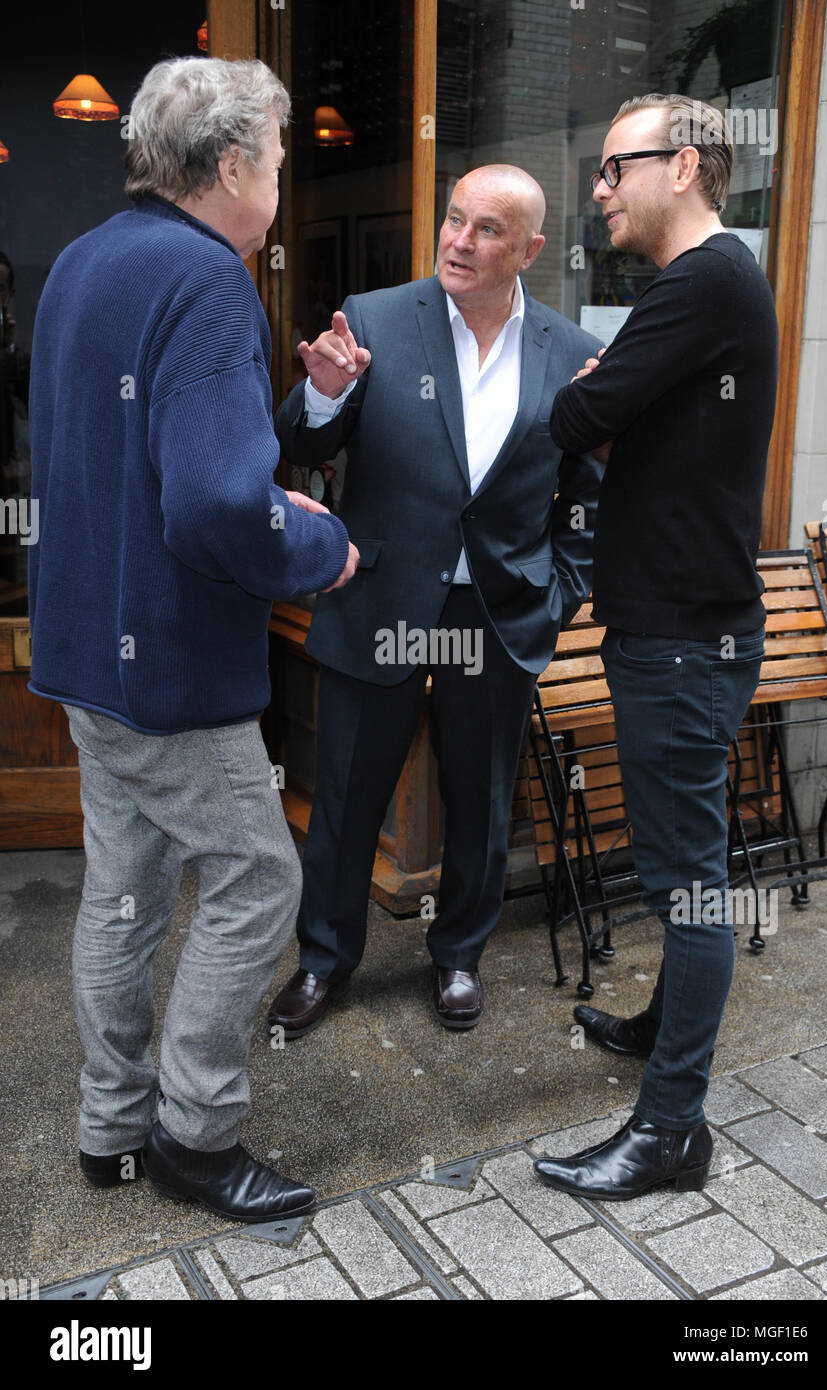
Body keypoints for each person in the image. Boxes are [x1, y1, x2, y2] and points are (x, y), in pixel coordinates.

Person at [27, 57, 357, 1224]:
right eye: (274, 154)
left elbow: (161, 460)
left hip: (82, 648)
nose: (279, 175)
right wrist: (321, 549)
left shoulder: (83, 260)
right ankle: (195, 1136)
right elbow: (218, 507)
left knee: (121, 890)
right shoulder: (211, 280)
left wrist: (294, 426)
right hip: (167, 667)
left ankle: (110, 1127)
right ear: (230, 165)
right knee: (263, 883)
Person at [269, 164, 603, 1037]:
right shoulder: (376, 319)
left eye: (488, 229)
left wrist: (558, 591)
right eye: (455, 220)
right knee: (346, 791)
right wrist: (326, 391)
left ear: (530, 249)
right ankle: (324, 959)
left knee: (481, 795)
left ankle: (458, 954)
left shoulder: (569, 354)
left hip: (495, 613)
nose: (460, 241)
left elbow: (589, 493)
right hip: (380, 596)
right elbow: (301, 444)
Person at [534, 94, 778, 1200]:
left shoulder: (704, 280)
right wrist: (607, 398)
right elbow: (615, 411)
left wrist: (597, 399)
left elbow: (582, 421)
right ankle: (664, 1024)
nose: (599, 189)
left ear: (682, 166)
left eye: (611, 168)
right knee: (681, 869)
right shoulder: (703, 286)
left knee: (692, 887)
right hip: (681, 633)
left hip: (683, 641)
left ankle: (673, 1129)